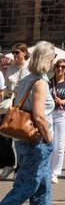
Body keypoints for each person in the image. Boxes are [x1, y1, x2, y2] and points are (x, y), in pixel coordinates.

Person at [0, 40, 63, 205]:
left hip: (23, 139)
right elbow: (39, 116)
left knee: (43, 185)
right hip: (37, 141)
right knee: (26, 186)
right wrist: (49, 138)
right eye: (53, 59)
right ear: (47, 60)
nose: (55, 63)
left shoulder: (28, 78)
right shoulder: (40, 82)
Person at [0, 45, 29, 179]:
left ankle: (20, 169)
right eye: (13, 52)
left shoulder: (29, 67)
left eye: (17, 52)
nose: (14, 55)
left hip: (23, 105)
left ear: (24, 52)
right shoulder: (10, 68)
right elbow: (7, 87)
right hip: (8, 105)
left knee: (20, 137)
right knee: (4, 137)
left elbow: (25, 86)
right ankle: (8, 164)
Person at [49, 58, 65, 183]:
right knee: (49, 143)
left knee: (59, 145)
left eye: (63, 67)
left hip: (62, 114)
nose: (60, 68)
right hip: (48, 114)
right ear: (54, 67)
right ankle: (47, 170)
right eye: (58, 66)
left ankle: (55, 172)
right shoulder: (49, 82)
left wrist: (63, 101)